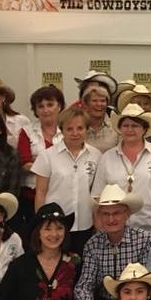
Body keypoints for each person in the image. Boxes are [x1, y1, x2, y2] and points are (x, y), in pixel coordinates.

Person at [92, 103, 151, 234]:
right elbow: (97, 197)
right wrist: (100, 229)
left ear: (144, 129)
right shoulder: (107, 157)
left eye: (135, 125)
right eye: (125, 125)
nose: (130, 130)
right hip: (117, 231)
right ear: (119, 128)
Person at [32, 107, 102, 254]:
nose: (75, 133)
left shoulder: (96, 155)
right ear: (61, 130)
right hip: (55, 226)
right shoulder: (47, 156)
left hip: (85, 223)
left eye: (80, 128)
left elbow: (96, 193)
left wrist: (98, 223)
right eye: (69, 129)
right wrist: (41, 224)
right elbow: (40, 192)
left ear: (86, 129)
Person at [16, 85, 65, 229]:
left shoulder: (69, 129)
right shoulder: (26, 131)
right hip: (31, 195)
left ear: (60, 106)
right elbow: (24, 163)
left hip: (61, 193)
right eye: (40, 106)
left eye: (50, 104)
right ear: (35, 110)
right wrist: (54, 168)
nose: (46, 109)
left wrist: (40, 165)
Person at [80, 79, 118, 153]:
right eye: (94, 101)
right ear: (85, 104)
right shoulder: (77, 126)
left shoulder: (116, 127)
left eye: (102, 101)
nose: (99, 104)